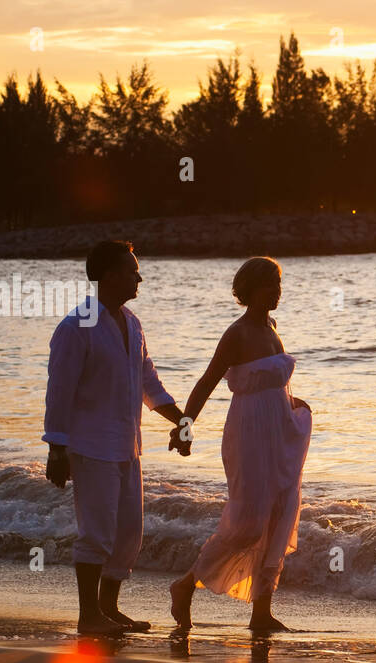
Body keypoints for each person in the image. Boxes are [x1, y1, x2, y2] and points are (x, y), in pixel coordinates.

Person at [43, 240, 186, 635]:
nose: (138, 276)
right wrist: (57, 448)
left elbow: (148, 382)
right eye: (130, 270)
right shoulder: (76, 327)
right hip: (90, 447)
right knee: (98, 532)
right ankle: (88, 616)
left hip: (128, 445)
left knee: (128, 534)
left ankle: (108, 609)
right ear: (108, 276)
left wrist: (180, 420)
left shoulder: (133, 323)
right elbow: (60, 391)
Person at [168, 257, 312, 632]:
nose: (276, 292)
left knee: (280, 514)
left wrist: (293, 406)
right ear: (249, 289)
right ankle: (185, 585)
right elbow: (206, 382)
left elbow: (273, 383)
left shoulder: (272, 327)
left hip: (280, 431)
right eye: (269, 285)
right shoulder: (237, 333)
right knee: (248, 521)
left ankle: (261, 612)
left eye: (279, 285)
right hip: (248, 433)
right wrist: (184, 426)